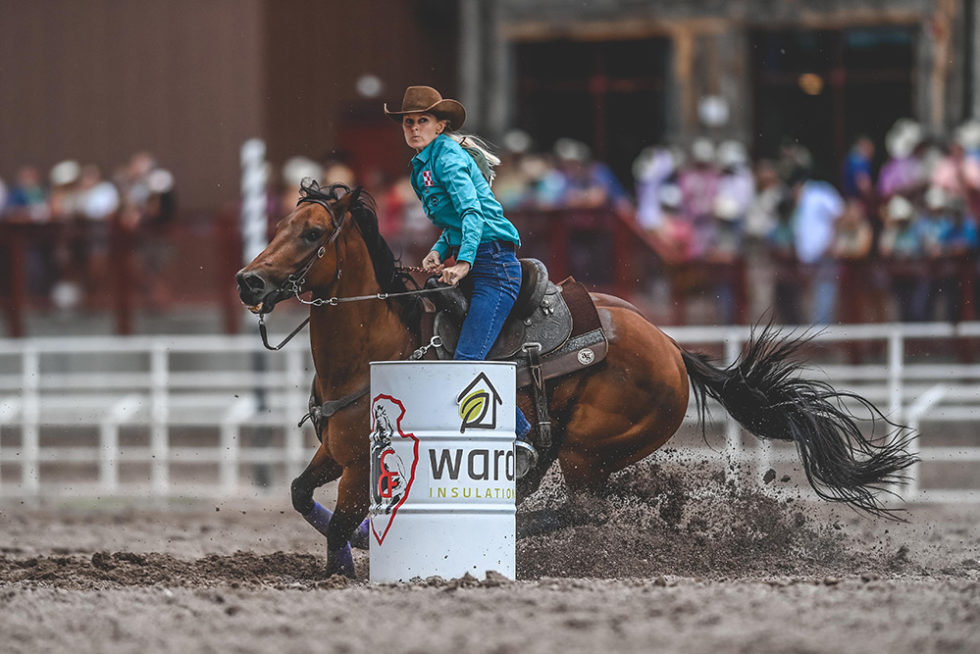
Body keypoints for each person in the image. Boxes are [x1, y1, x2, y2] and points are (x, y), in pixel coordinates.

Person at [384, 85, 537, 477]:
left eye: (422, 121)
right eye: (408, 122)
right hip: (478, 258)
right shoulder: (423, 165)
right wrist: (439, 250)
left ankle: (523, 437)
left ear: (440, 126)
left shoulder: (447, 158)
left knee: (466, 363)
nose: (414, 128)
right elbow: (455, 223)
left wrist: (464, 262)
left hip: (494, 268)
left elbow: (472, 213)